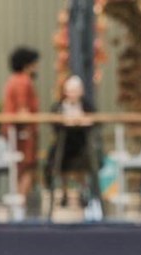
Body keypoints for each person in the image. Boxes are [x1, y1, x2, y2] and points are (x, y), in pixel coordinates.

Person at [43, 73, 99, 217]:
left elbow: (96, 120)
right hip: (63, 146)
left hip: (81, 145)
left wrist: (85, 121)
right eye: (70, 91)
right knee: (57, 162)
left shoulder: (86, 105)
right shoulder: (58, 107)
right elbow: (54, 123)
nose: (73, 94)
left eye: (76, 91)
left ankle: (84, 192)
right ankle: (64, 192)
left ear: (81, 91)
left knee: (86, 162)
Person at [0, 47, 40, 208]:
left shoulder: (12, 80)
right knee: (27, 167)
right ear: (27, 65)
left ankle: (18, 203)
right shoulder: (23, 81)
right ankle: (20, 204)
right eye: (34, 64)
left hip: (14, 132)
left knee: (19, 168)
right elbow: (22, 108)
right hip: (23, 133)